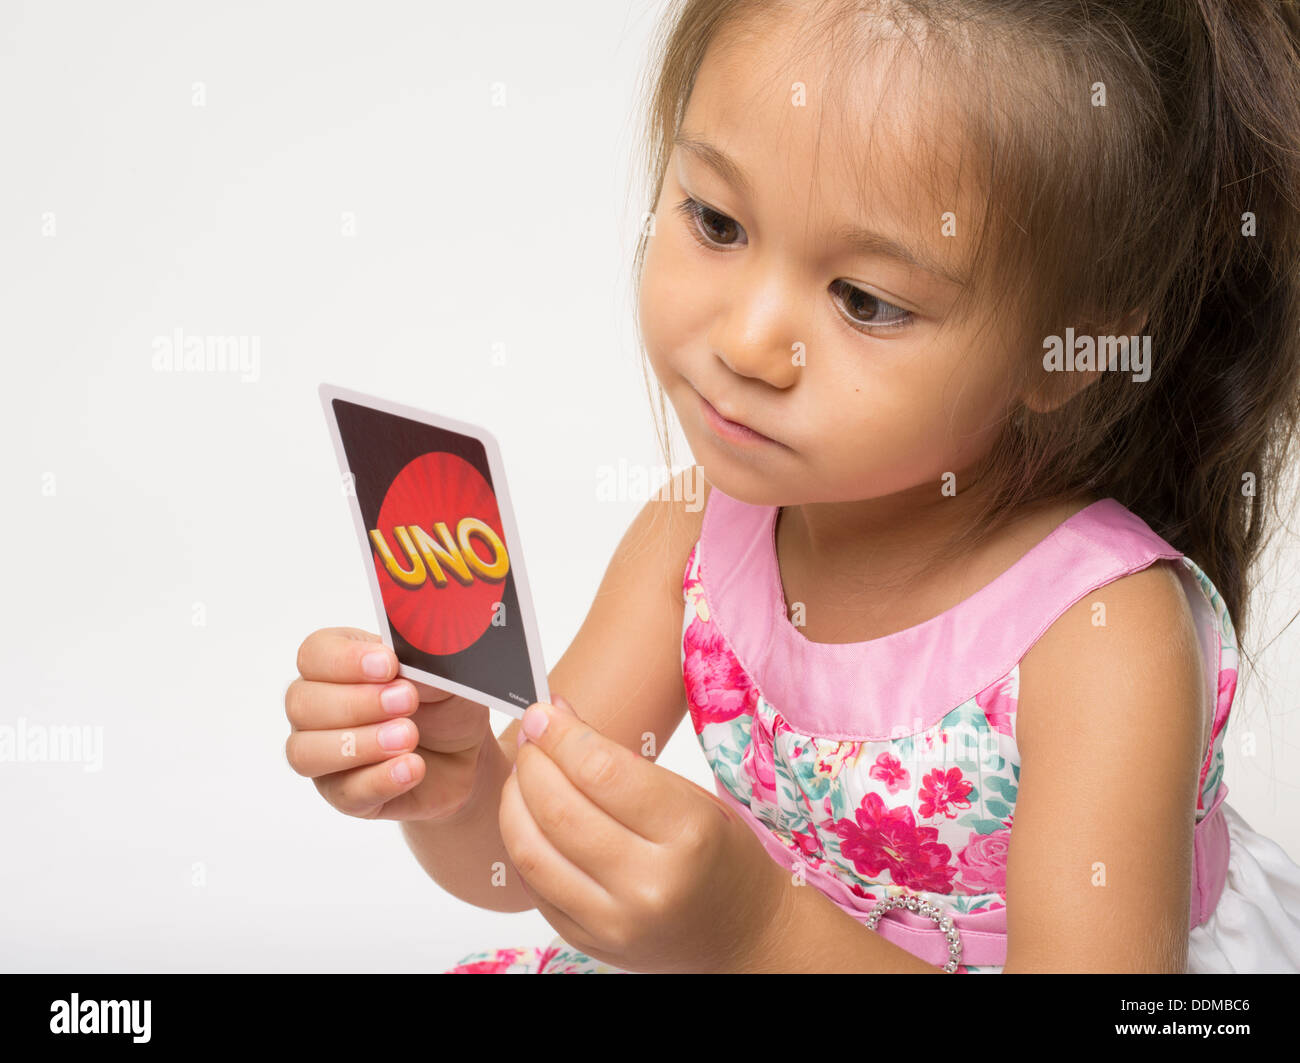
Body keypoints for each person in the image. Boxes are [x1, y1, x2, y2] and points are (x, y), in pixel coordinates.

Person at [285, 0, 1300, 973]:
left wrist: (756, 935)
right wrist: (453, 781)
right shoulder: (694, 534)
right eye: (717, 222)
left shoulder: (1101, 633)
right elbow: (522, 858)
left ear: (1069, 348)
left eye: (863, 298)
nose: (745, 340)